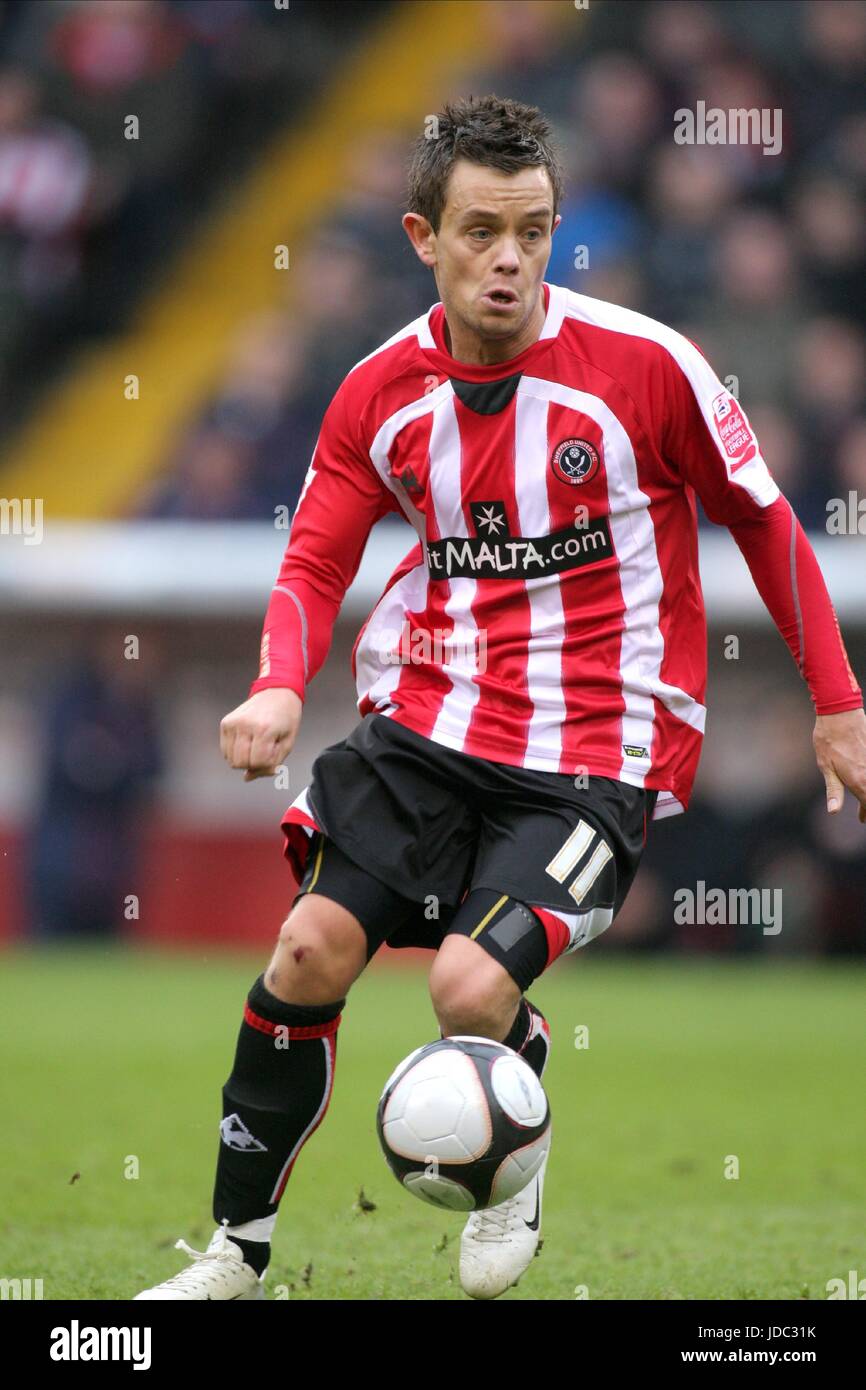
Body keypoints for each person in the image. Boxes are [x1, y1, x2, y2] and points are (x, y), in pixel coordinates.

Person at [135, 94, 866, 1302]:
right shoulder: (377, 391)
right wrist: (276, 681)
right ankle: (233, 1255)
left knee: (467, 987)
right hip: (427, 719)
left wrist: (835, 700)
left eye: (531, 230)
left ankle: (507, 1155)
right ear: (423, 237)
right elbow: (316, 556)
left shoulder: (647, 368)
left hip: (595, 742)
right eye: (480, 231)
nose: (509, 259)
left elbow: (765, 520)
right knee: (308, 949)